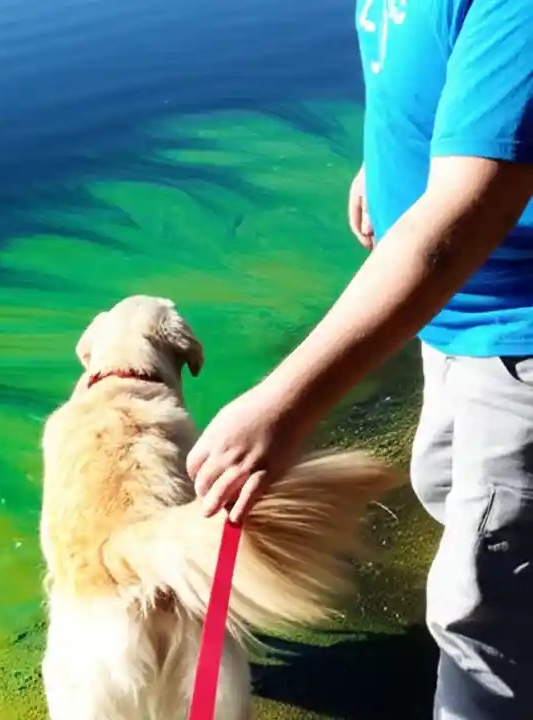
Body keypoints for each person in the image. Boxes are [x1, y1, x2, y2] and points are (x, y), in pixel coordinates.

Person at [185, 1, 533, 717]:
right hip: (450, 320)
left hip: (516, 340)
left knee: (478, 614)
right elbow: (428, 64)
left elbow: (461, 215)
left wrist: (289, 402)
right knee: (446, 487)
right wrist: (386, 164)